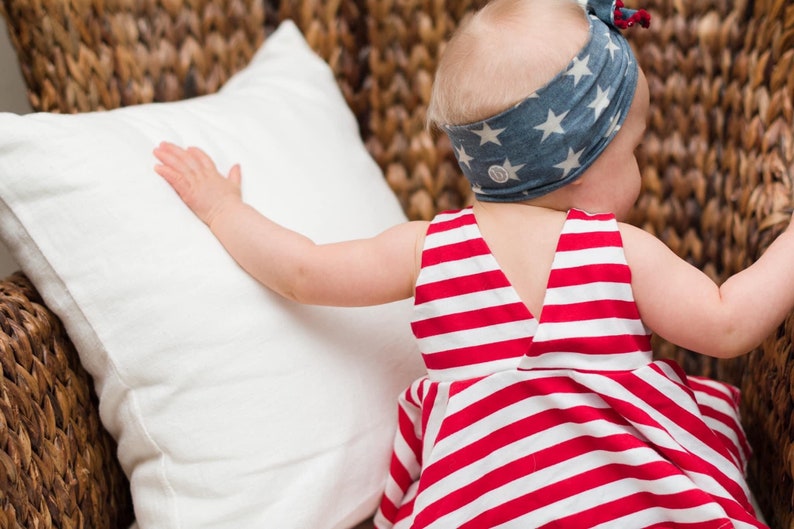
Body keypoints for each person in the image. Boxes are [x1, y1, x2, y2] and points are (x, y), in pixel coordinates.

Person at [153, 0, 780, 526]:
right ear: (582, 164)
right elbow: (728, 323)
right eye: (633, 151)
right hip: (630, 506)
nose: (640, 171)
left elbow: (303, 272)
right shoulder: (616, 250)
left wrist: (221, 210)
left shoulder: (427, 250)